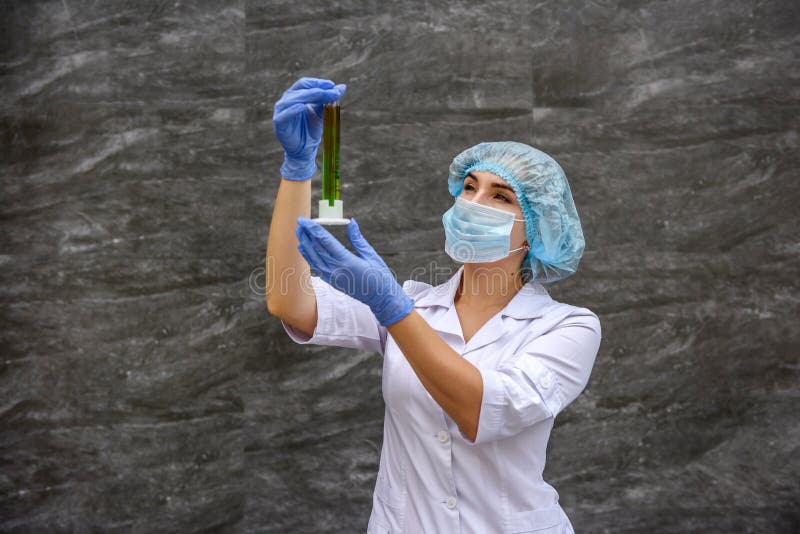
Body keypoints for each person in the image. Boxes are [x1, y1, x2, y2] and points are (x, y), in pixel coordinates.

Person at [266, 77, 602, 534]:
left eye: (500, 196)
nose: (473, 202)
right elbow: (288, 299)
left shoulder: (567, 327)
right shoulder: (415, 303)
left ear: (538, 229)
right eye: (469, 187)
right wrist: (298, 169)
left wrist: (391, 308)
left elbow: (482, 409)